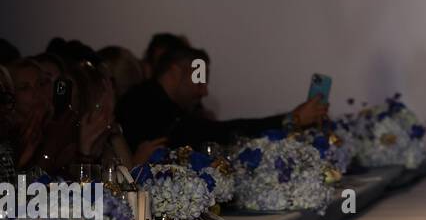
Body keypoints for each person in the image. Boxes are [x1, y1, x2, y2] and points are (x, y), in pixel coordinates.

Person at [115, 42, 328, 162]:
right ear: (174, 72)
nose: (204, 91)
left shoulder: (161, 105)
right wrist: (291, 119)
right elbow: (215, 134)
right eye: (199, 78)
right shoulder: (146, 105)